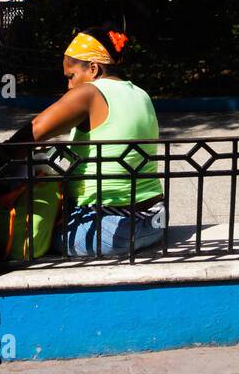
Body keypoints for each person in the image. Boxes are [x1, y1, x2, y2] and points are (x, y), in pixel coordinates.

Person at [18, 27, 166, 258]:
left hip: (114, 228)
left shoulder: (90, 92)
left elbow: (34, 130)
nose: (69, 86)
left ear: (93, 68)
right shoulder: (140, 93)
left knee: (29, 234)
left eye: (71, 76)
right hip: (156, 221)